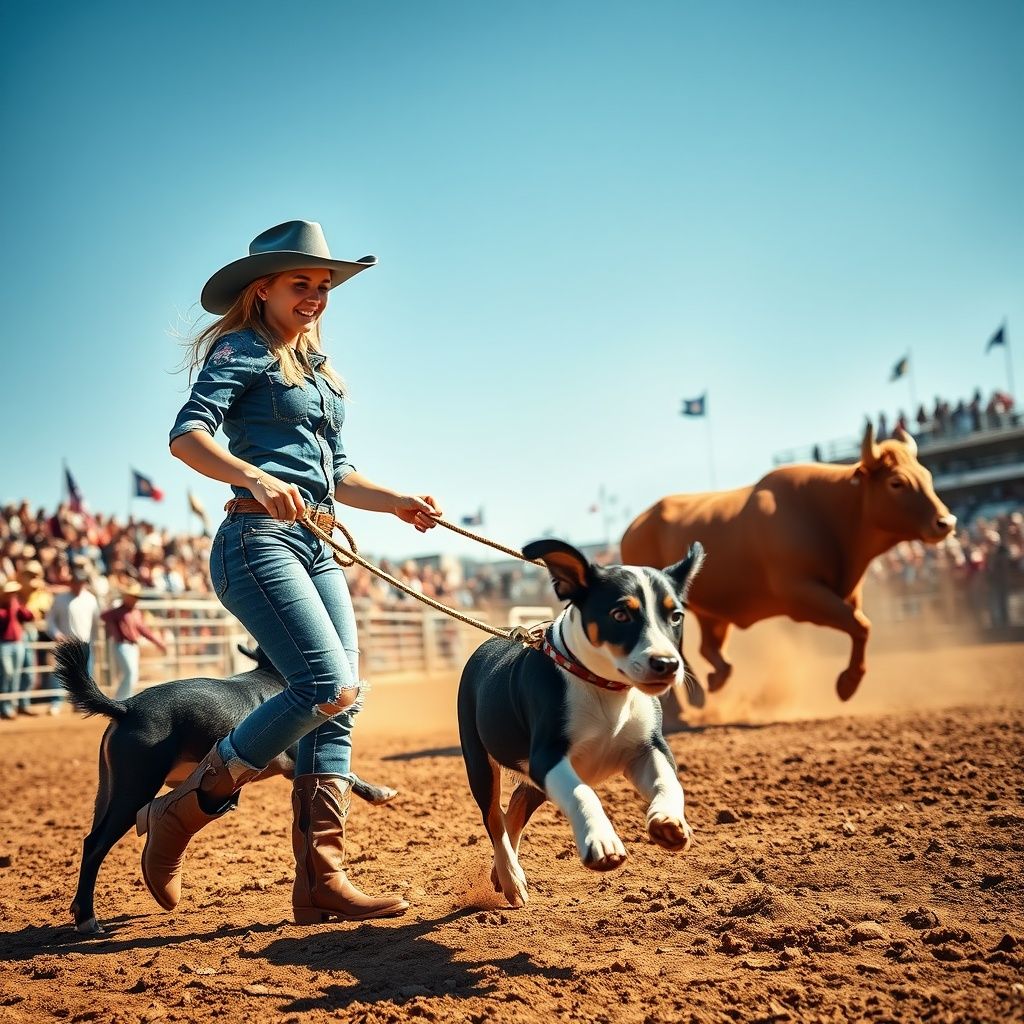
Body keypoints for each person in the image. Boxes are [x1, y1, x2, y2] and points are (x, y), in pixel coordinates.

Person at [141, 220, 442, 926]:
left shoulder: (319, 373)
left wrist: (394, 501)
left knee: (343, 699)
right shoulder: (241, 349)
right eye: (300, 284)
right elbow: (188, 436)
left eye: (324, 286)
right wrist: (253, 477)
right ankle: (183, 810)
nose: (315, 296)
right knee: (325, 684)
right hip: (257, 540)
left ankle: (320, 880)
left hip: (316, 543)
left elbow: (336, 474)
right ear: (263, 289)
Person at [45, 567, 101, 715]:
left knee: (85, 676)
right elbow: (50, 621)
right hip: (66, 644)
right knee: (61, 674)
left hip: (84, 644)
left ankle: (80, 703)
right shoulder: (60, 599)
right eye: (76, 582)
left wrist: (94, 641)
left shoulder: (91, 599)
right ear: (71, 583)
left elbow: (96, 623)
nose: (79, 585)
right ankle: (55, 703)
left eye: (81, 582)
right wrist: (57, 634)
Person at [100, 581, 168, 700]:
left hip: (131, 646)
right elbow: (104, 616)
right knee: (130, 673)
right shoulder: (119, 611)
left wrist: (158, 642)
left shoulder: (134, 612)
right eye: (134, 597)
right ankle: (121, 700)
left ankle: (124, 699)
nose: (136, 599)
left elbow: (144, 630)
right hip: (122, 644)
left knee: (132, 674)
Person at [0, 580, 34, 720]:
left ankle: (11, 706)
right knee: (7, 673)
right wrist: (12, 607)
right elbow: (4, 621)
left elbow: (29, 616)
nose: (12, 596)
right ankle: (6, 706)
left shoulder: (16, 606)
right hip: (4, 643)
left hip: (17, 643)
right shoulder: (4, 609)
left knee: (15, 675)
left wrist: (19, 606)